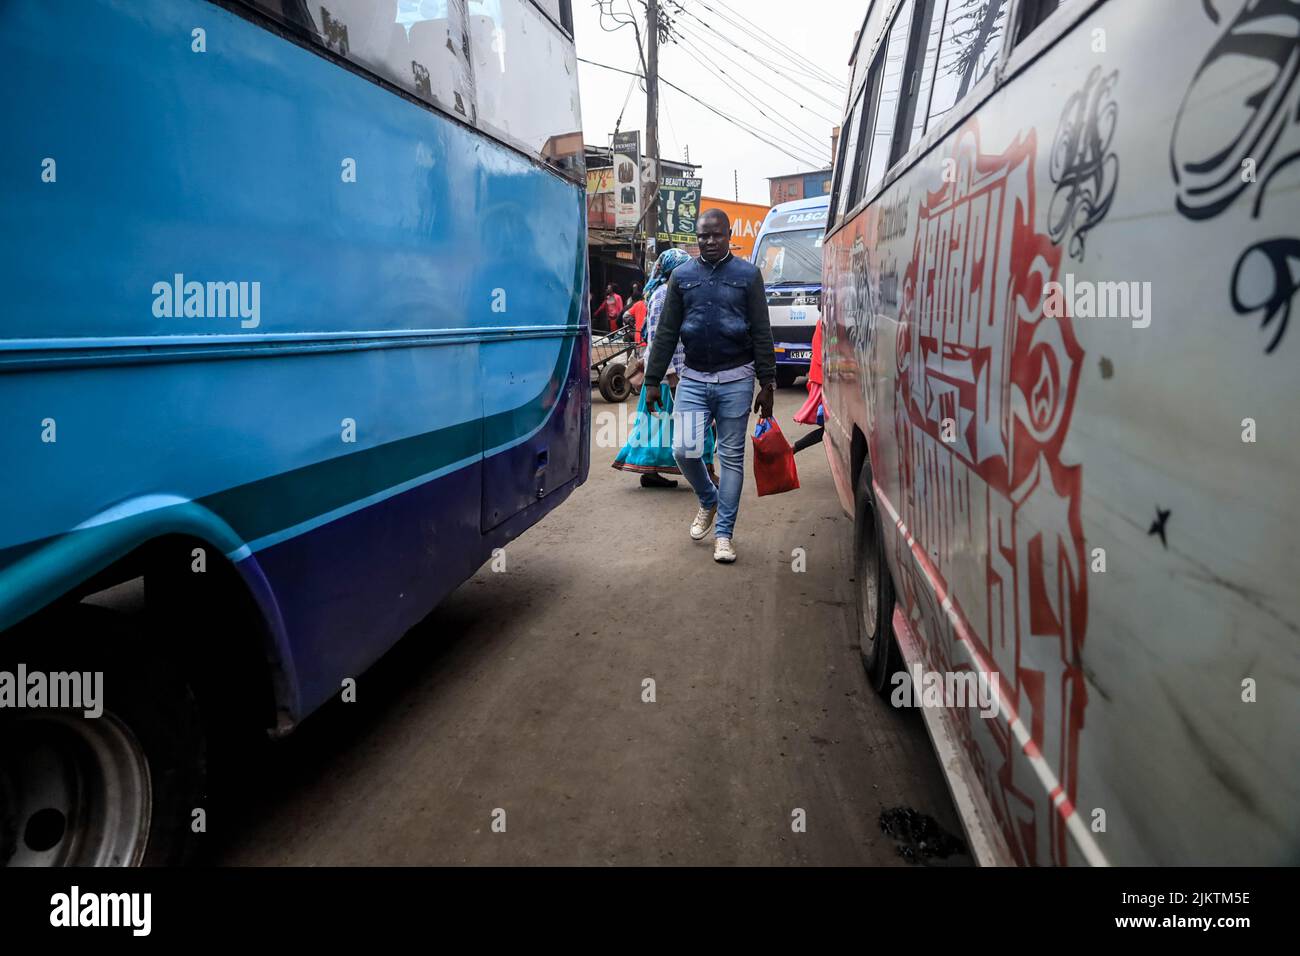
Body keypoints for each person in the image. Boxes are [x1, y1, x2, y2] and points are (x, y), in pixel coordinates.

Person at [642, 209, 776, 563]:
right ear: (697, 238)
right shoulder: (682, 277)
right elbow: (667, 332)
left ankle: (724, 534)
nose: (709, 242)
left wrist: (768, 382)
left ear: (729, 235)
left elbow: (762, 331)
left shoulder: (748, 276)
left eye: (716, 235)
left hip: (738, 378)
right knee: (683, 450)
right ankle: (708, 499)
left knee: (731, 458)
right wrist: (652, 379)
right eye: (703, 236)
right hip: (694, 378)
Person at [612, 250, 715, 488]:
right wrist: (668, 378)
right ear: (672, 272)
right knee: (687, 426)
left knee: (665, 428)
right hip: (669, 375)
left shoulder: (681, 291)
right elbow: (660, 338)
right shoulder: (662, 295)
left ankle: (655, 471)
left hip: (684, 371)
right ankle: (704, 472)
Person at [792, 317, 825, 454]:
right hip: (823, 379)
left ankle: (795, 448)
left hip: (821, 378)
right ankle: (795, 448)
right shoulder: (826, 322)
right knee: (829, 428)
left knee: (828, 428)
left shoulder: (824, 321)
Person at [623, 281, 647, 347]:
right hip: (641, 337)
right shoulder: (644, 304)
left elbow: (624, 316)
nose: (635, 291)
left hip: (639, 336)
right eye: (634, 289)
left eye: (636, 289)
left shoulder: (639, 304)